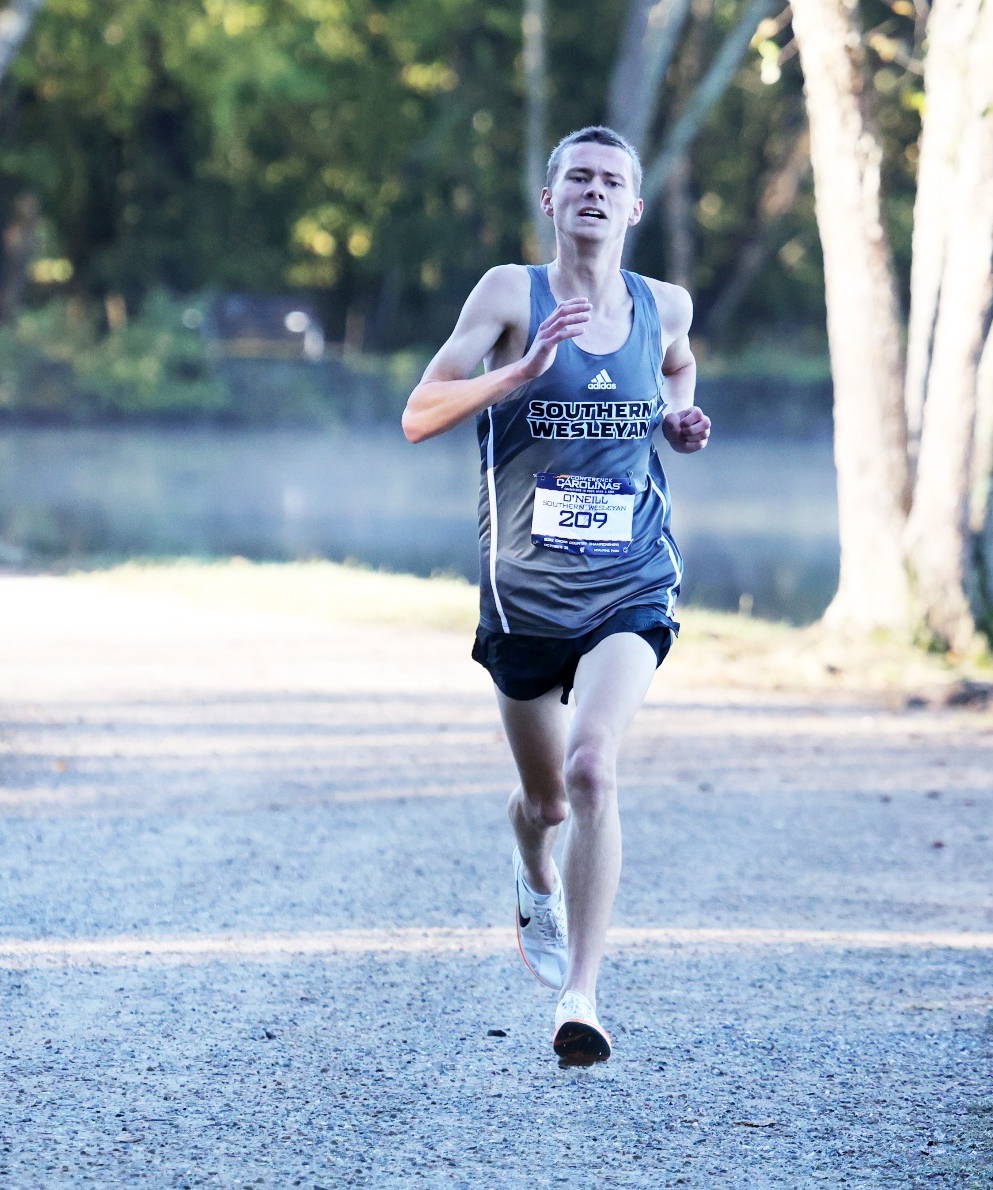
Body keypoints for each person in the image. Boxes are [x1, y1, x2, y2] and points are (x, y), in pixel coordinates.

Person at [401, 126, 711, 1067]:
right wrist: (520, 373)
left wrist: (677, 419)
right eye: (576, 175)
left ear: (634, 206)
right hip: (525, 597)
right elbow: (419, 414)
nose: (593, 190)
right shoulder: (507, 294)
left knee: (593, 770)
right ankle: (532, 864)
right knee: (545, 803)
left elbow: (676, 370)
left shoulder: (666, 305)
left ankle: (582, 995)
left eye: (611, 180)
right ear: (550, 199)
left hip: (631, 582)